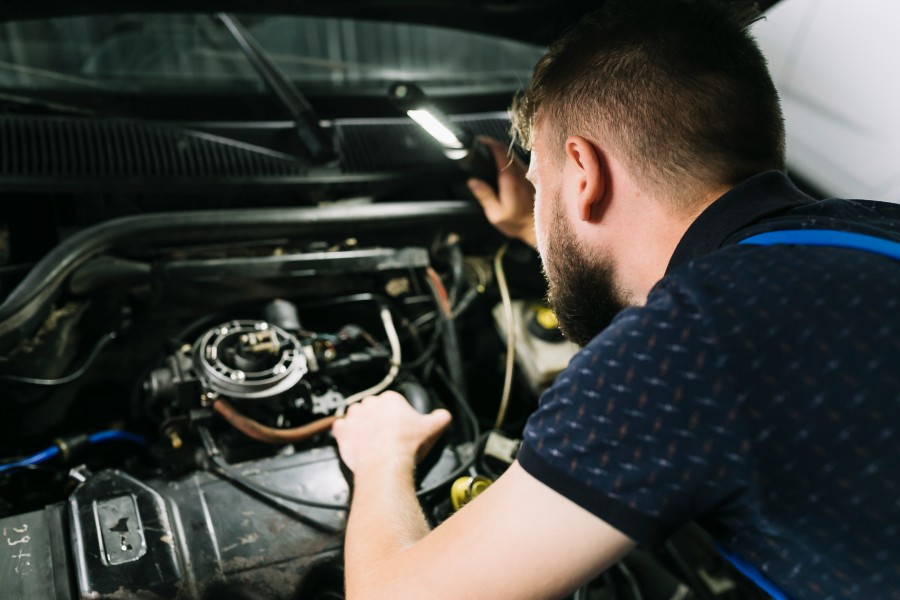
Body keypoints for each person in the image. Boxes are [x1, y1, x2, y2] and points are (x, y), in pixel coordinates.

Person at [331, 1, 900, 598]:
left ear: (584, 172)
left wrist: (381, 457)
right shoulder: (872, 229)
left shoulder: (684, 346)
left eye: (539, 188)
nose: (537, 213)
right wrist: (540, 230)